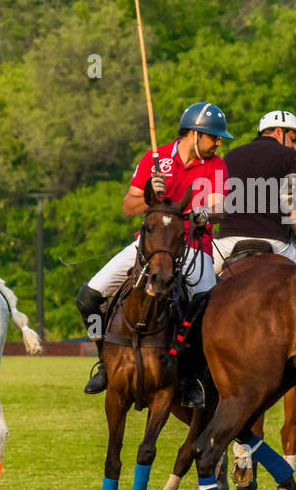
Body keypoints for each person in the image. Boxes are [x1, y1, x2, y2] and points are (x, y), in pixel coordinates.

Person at [76, 102, 230, 405]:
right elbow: (127, 206)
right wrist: (148, 193)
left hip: (193, 245)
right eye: (213, 137)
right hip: (149, 246)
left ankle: (192, 378)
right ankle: (104, 361)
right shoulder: (155, 159)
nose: (218, 142)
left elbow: (220, 207)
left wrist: (203, 214)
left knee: (204, 308)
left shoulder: (216, 165)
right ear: (194, 134)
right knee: (89, 297)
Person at [212, 110, 296, 274]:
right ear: (279, 131)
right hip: (275, 244)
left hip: (226, 244)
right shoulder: (291, 156)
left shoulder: (230, 155)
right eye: (293, 140)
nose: (295, 146)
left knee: (191, 281)